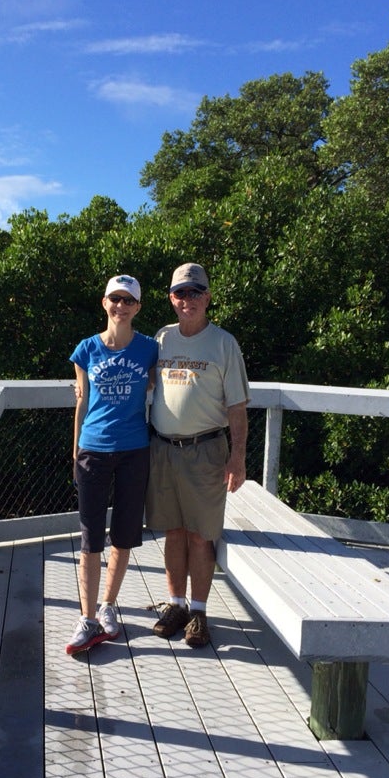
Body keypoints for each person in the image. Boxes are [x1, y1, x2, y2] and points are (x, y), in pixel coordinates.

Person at [146, 262, 250, 648]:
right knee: (173, 531)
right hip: (163, 449)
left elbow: (237, 406)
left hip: (206, 449)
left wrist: (237, 457)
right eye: (180, 293)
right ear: (171, 298)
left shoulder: (224, 343)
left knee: (201, 536)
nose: (187, 299)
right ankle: (176, 605)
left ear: (207, 297)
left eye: (194, 292)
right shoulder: (161, 339)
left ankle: (201, 612)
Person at [66, 275, 159, 656]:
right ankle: (86, 618)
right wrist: (75, 452)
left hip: (135, 449)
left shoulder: (151, 349)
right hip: (93, 449)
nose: (120, 306)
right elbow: (82, 401)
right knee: (90, 538)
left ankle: (108, 607)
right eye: (114, 299)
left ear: (137, 307)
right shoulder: (86, 350)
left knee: (123, 534)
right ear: (104, 303)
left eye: (127, 301)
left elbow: (163, 384)